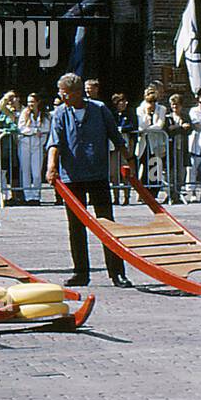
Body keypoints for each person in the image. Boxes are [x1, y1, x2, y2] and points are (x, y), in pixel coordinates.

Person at [46, 73, 137, 288]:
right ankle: (80, 272)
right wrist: (51, 167)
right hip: (72, 177)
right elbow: (54, 142)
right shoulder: (60, 112)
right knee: (75, 226)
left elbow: (116, 136)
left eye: (65, 92)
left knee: (107, 223)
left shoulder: (99, 109)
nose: (61, 95)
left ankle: (117, 273)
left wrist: (130, 160)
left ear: (77, 93)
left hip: (97, 174)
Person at [135, 86, 168, 199]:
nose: (152, 104)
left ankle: (154, 192)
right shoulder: (140, 109)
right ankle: (143, 193)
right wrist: (147, 115)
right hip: (144, 143)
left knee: (156, 166)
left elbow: (159, 126)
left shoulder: (162, 109)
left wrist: (147, 129)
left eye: (154, 101)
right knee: (143, 167)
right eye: (150, 101)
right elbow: (140, 126)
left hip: (156, 143)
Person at [17, 92, 48, 205]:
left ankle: (36, 196)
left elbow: (46, 128)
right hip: (24, 145)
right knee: (25, 171)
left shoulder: (44, 114)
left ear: (38, 102)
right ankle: (28, 197)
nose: (30, 104)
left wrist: (37, 132)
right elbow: (21, 128)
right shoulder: (24, 113)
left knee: (36, 172)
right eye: (29, 102)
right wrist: (34, 131)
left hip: (38, 146)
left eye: (32, 102)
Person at [110, 92, 139, 205]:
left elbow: (133, 126)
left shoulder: (130, 113)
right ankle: (116, 197)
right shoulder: (113, 114)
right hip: (114, 146)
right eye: (121, 101)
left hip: (126, 145)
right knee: (114, 172)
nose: (124, 103)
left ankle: (127, 196)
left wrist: (122, 129)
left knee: (126, 170)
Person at [164, 94, 192, 205]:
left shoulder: (185, 116)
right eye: (173, 105)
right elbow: (169, 129)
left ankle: (178, 192)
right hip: (171, 148)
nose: (175, 107)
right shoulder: (168, 118)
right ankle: (170, 194)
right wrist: (181, 127)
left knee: (181, 171)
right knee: (171, 171)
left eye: (177, 105)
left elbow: (190, 129)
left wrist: (184, 127)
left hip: (182, 147)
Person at [190, 88, 201, 202]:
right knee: (194, 168)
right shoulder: (194, 111)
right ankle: (193, 193)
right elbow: (197, 126)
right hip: (196, 144)